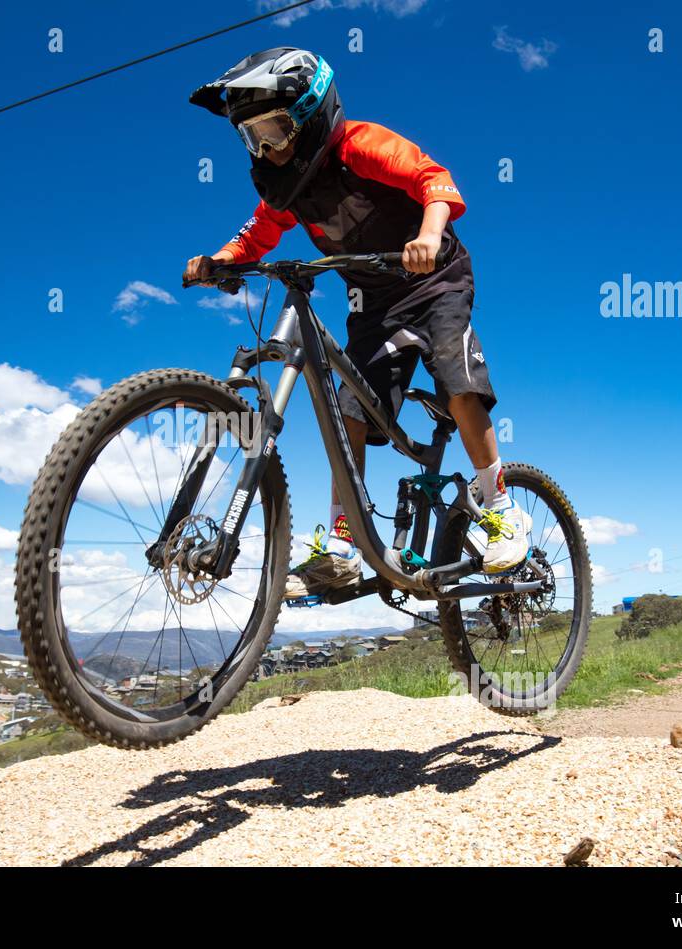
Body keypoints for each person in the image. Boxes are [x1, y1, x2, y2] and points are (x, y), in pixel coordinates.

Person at [183, 48, 530, 599]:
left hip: (435, 281)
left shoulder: (359, 144)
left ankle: (503, 509)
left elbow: (431, 178)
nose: (267, 148)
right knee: (350, 413)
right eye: (253, 138)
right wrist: (220, 261)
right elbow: (258, 235)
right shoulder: (289, 188)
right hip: (373, 301)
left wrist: (429, 236)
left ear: (311, 113)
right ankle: (344, 543)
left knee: (459, 385)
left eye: (274, 129)